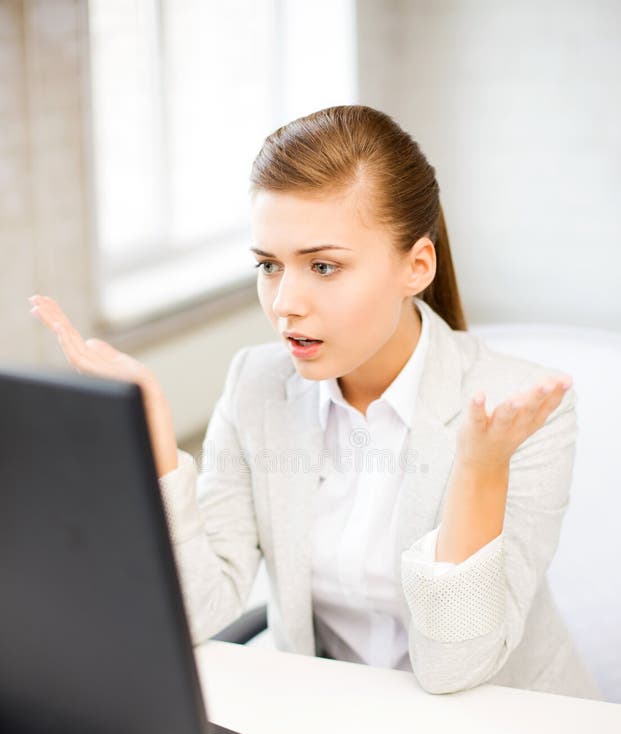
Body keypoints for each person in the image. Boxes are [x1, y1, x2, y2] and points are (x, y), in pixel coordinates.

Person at [29, 104, 602, 700]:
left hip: (509, 733)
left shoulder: (523, 412)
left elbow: (455, 668)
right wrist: (150, 433)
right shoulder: (256, 384)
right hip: (335, 726)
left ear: (417, 265)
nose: (285, 304)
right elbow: (196, 609)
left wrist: (480, 470)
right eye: (269, 266)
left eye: (323, 266)